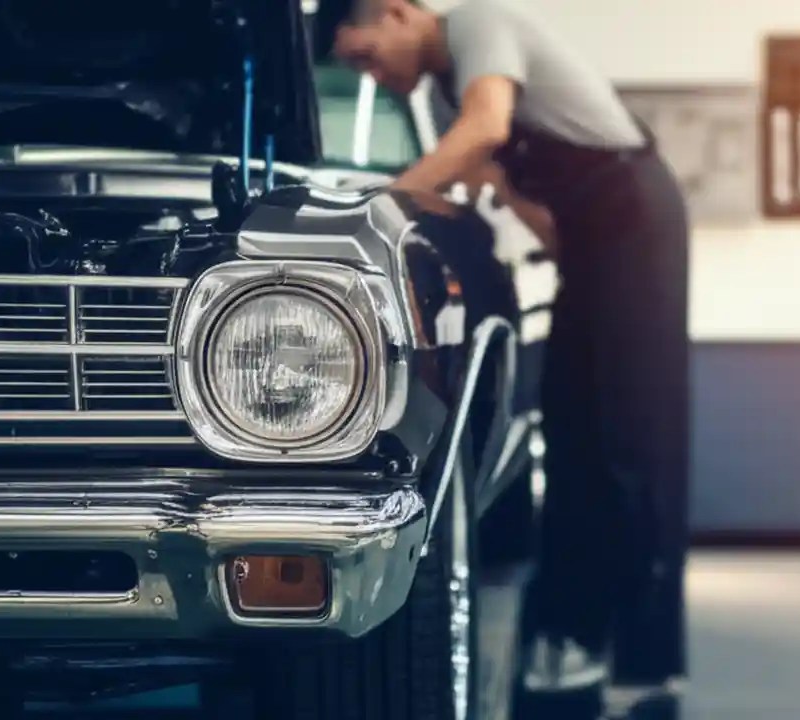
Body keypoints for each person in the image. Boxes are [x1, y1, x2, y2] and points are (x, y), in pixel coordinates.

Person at [332, 0, 690, 691]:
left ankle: (646, 659)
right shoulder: (441, 96)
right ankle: (571, 635)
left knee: (630, 434)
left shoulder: (475, 27)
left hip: (636, 213)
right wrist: (572, 258)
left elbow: (487, 127)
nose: (371, 76)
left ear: (400, 13)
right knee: (571, 421)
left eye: (366, 57)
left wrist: (379, 208)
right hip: (593, 238)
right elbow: (496, 183)